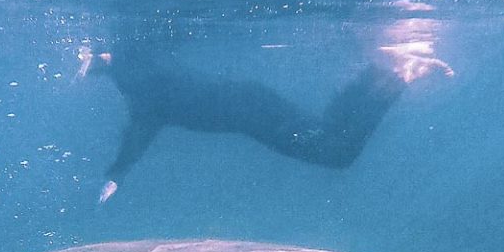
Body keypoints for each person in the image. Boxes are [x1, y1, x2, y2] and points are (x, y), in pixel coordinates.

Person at [90, 47, 412, 202]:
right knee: (329, 138)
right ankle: (381, 72)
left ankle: (396, 74)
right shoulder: (148, 76)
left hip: (254, 115)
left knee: (337, 153)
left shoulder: (144, 96)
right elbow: (138, 130)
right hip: (252, 104)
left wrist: (116, 175)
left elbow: (138, 134)